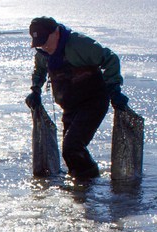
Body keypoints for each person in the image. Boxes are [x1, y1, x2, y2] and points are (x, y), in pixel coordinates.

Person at [25, 17, 129, 179]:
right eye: (39, 43)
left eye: (45, 41)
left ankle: (90, 185)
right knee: (71, 153)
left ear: (56, 33)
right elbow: (39, 71)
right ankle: (82, 189)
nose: (43, 46)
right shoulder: (43, 53)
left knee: (72, 146)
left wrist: (114, 90)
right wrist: (35, 91)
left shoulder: (79, 45)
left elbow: (110, 59)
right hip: (70, 106)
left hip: (93, 101)